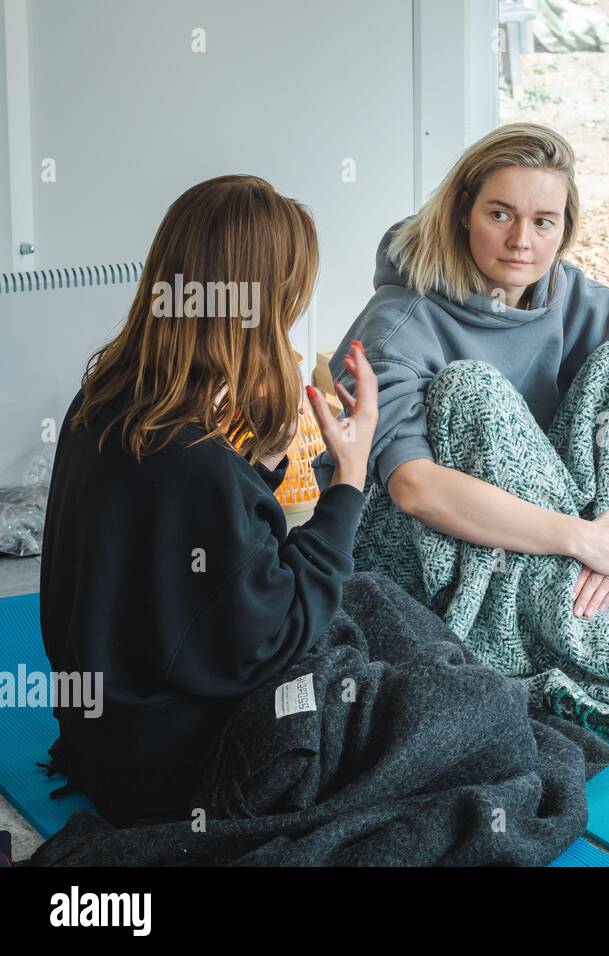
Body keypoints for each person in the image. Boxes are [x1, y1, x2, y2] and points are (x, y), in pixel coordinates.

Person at [39, 174, 378, 826]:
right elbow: (269, 638)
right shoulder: (199, 464)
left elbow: (173, 559)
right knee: (432, 687)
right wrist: (349, 480)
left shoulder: (104, 401)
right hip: (174, 772)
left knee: (372, 613)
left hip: (98, 735)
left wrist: (262, 469)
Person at [314, 122, 609, 618]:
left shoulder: (571, 296)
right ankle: (586, 615)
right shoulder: (399, 322)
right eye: (501, 214)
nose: (520, 241)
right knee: (471, 389)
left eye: (543, 221)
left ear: (564, 228)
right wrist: (584, 539)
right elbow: (412, 486)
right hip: (421, 550)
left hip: (578, 539)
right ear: (464, 211)